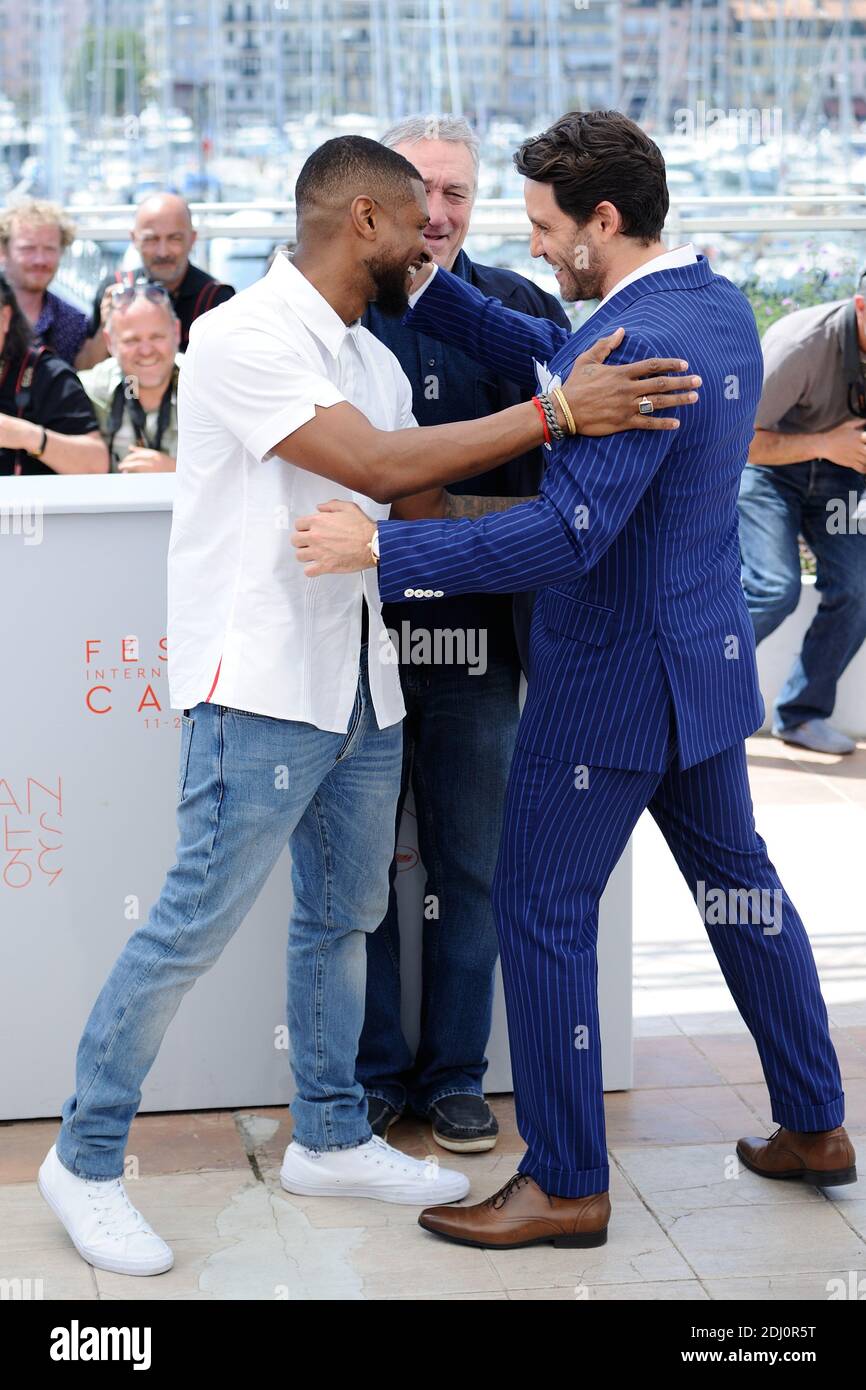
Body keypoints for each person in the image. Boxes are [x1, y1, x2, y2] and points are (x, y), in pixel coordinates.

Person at [36, 134, 694, 1277]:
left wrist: (588, 510)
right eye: (413, 220)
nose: (430, 238)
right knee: (189, 924)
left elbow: (424, 501)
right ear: (363, 225)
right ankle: (86, 1159)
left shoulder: (371, 359)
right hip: (258, 688)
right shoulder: (239, 336)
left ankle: (330, 1132)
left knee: (341, 920)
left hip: (361, 683)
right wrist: (558, 417)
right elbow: (378, 470)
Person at [291, 111, 855, 1252]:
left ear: (603, 219)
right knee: (741, 895)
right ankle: (813, 1120)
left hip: (609, 682)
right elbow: (554, 367)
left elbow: (565, 535)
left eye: (547, 228)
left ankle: (563, 1180)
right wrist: (434, 286)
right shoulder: (710, 302)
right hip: (698, 668)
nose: (537, 246)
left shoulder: (638, 341)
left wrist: (383, 549)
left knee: (540, 912)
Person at [358, 114, 572, 1154]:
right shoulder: (339, 308)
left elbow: (552, 498)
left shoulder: (521, 308)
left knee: (469, 870)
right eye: (421, 192)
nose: (437, 214)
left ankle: (452, 1077)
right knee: (361, 870)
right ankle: (368, 1076)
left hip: (481, 644)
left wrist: (449, 525)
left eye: (456, 195)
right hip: (351, 639)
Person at [737, 276, 866, 754]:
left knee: (859, 588)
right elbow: (740, 441)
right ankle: (687, 698)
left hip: (842, 477)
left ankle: (802, 713)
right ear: (860, 307)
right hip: (768, 472)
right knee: (775, 588)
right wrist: (826, 443)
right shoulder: (799, 344)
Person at [77, 193, 234, 367]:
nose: (163, 252)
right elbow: (85, 370)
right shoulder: (115, 290)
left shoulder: (217, 300)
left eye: (174, 238)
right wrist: (107, 326)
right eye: (151, 239)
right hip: (129, 391)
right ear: (134, 240)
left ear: (192, 239)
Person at [0, 271, 108, 476]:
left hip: (29, 506)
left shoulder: (46, 374)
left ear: (5, 317)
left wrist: (25, 435)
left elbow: (96, 463)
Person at [78, 281, 182, 473]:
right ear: (110, 342)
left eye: (157, 337)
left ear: (176, 332)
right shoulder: (87, 391)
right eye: (131, 340)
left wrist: (176, 473)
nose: (146, 351)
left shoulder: (206, 385)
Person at [0, 199, 90, 367]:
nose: (40, 260)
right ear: (3, 251)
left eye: (49, 249)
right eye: (28, 248)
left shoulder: (73, 323)